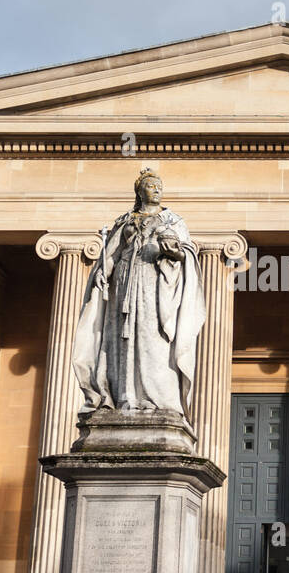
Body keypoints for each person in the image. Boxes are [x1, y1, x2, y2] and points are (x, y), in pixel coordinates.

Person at [73, 168, 205, 416]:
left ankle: (158, 400)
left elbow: (186, 253)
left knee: (152, 339)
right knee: (122, 340)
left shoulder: (174, 221)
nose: (157, 190)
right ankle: (125, 397)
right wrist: (103, 273)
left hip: (155, 285)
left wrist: (173, 252)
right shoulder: (125, 221)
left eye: (159, 186)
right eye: (151, 185)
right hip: (124, 283)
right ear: (139, 190)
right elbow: (111, 254)